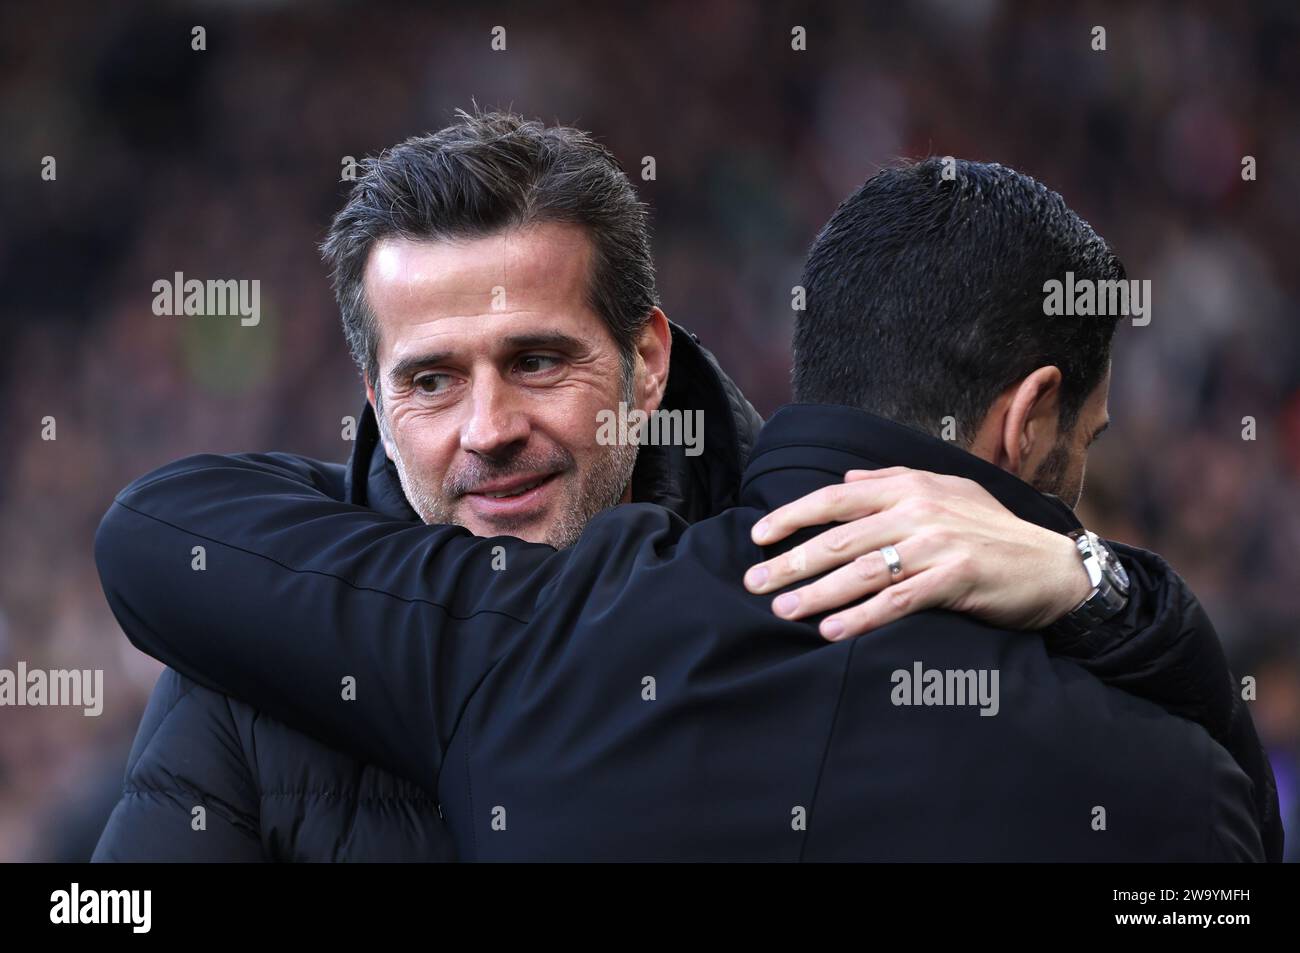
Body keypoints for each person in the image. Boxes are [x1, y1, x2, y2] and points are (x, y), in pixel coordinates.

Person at [94, 152, 1278, 860]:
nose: (488, 424)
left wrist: (1094, 585)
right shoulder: (251, 660)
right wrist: (1101, 578)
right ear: (371, 396)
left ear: (648, 361)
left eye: (540, 359)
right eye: (430, 379)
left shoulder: (659, 605)